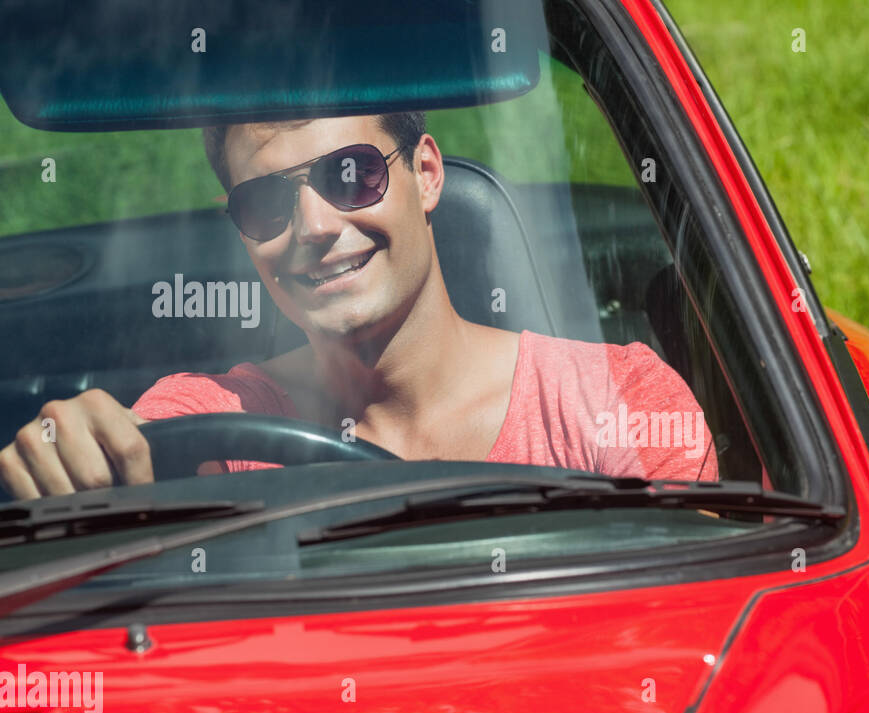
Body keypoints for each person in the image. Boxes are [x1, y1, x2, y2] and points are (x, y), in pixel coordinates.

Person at [0, 112, 717, 499]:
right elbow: (132, 449)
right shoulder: (209, 419)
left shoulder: (619, 402)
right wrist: (75, 454)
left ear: (427, 174)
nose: (313, 227)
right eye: (266, 202)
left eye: (351, 174)